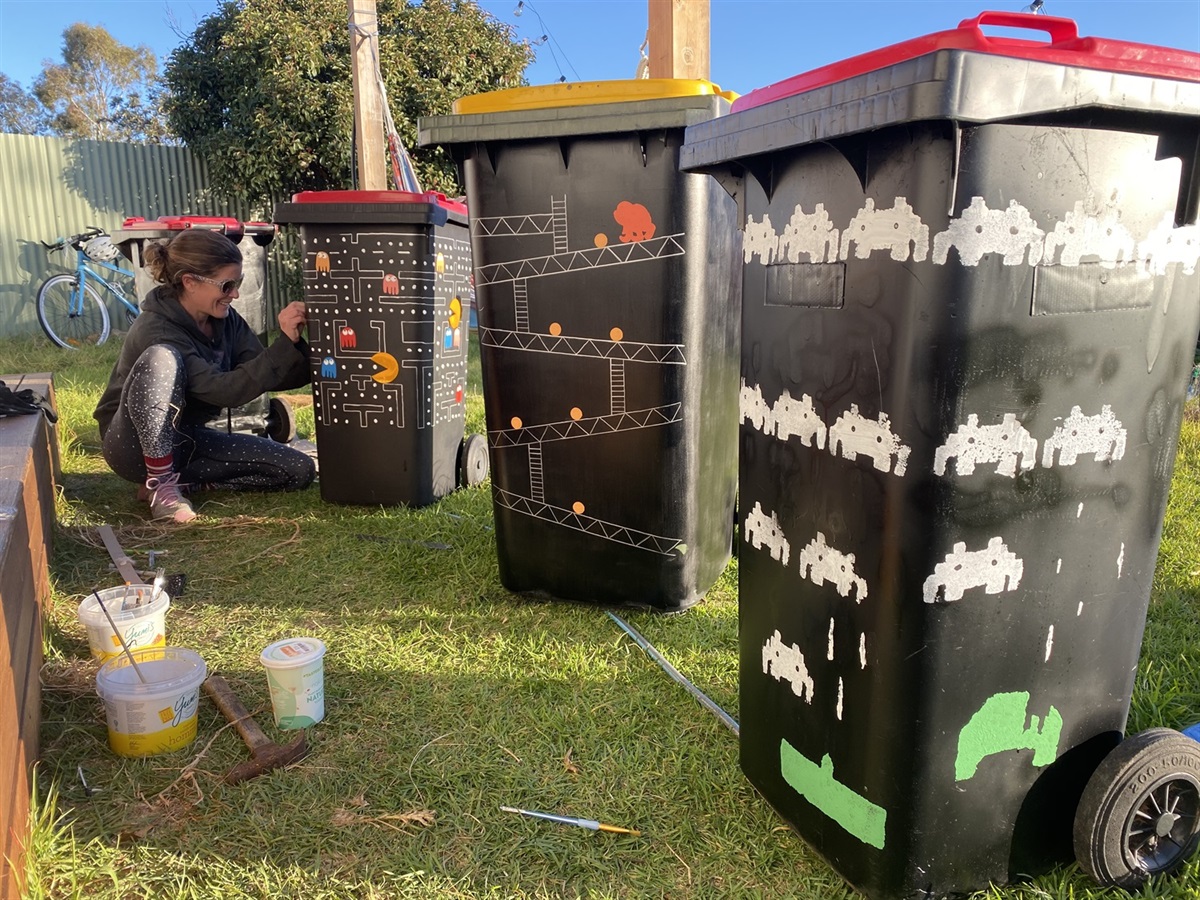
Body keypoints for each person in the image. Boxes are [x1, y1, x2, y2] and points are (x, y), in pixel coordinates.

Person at [94, 229, 315, 523]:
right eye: (226, 286)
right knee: (162, 357)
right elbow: (221, 391)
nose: (234, 294)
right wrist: (281, 349)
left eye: (238, 283)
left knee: (297, 470)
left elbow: (264, 372)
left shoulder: (224, 318)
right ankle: (161, 484)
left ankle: (185, 483)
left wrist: (291, 341)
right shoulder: (156, 328)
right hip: (131, 447)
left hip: (186, 439)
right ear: (190, 282)